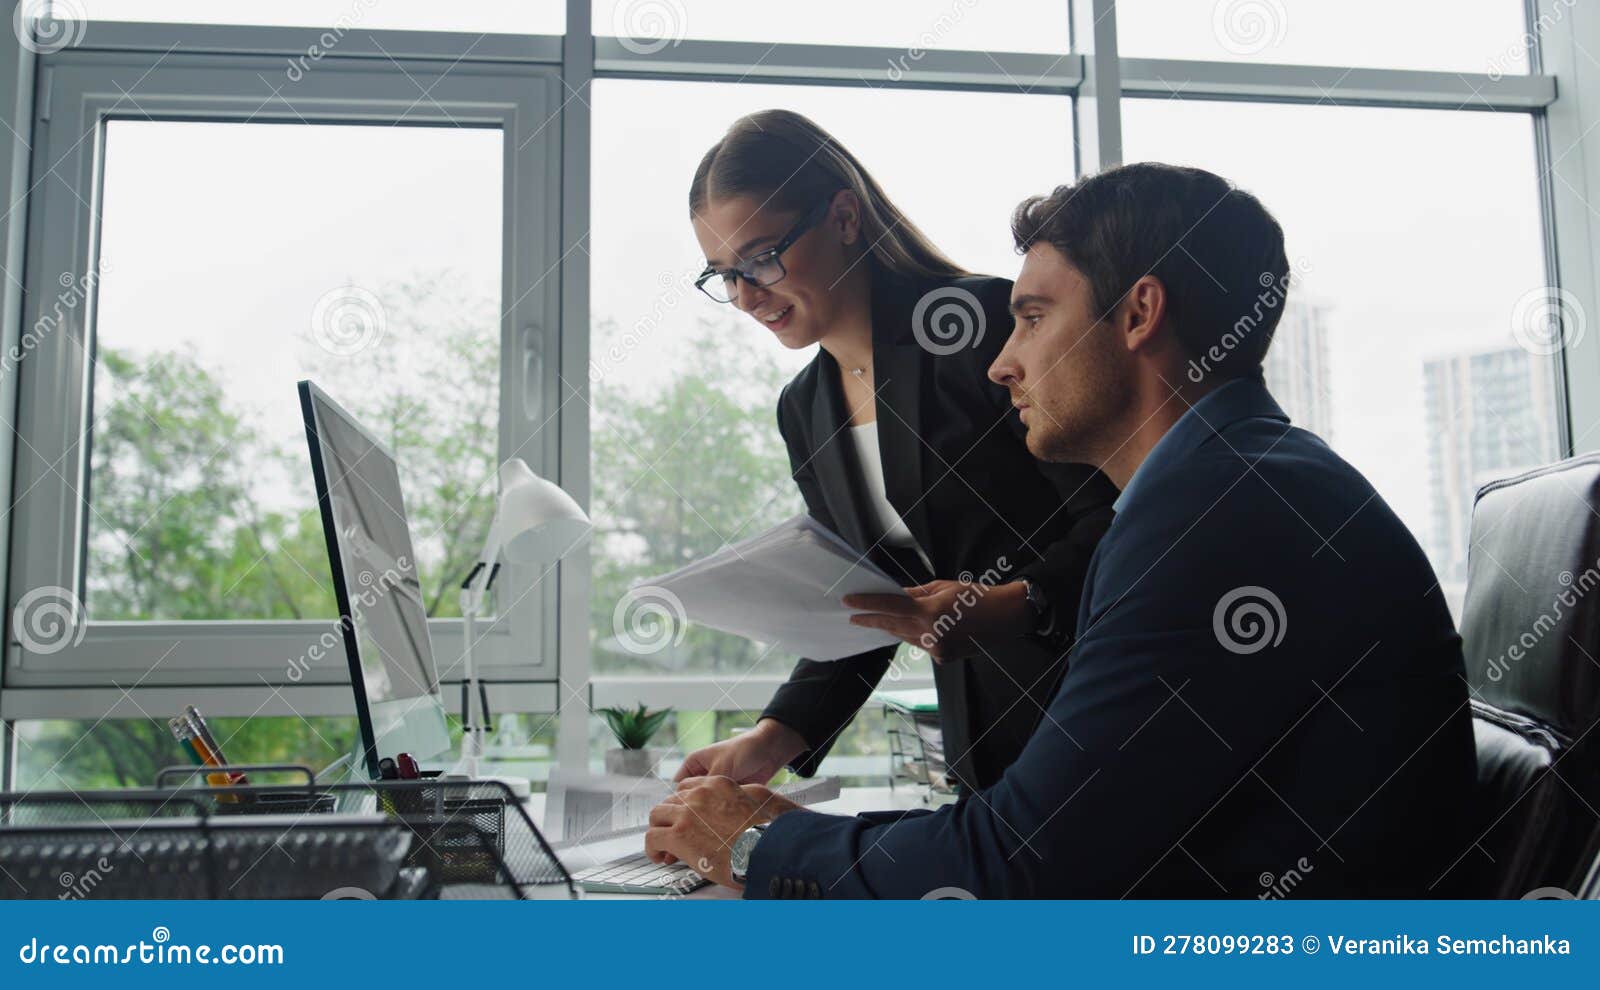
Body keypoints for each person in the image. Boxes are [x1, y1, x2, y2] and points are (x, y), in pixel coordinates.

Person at [646, 162, 1478, 898]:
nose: (1003, 362)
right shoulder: (1221, 486)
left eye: (1033, 319)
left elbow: (1021, 865)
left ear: (1139, 313)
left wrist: (760, 843)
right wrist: (784, 802)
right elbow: (1032, 846)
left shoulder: (1211, 518)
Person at [677, 110, 1118, 793]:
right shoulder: (804, 410)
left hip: (1100, 711)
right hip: (986, 753)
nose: (745, 296)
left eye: (762, 257)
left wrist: (1008, 601)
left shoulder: (976, 330)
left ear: (845, 218)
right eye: (723, 274)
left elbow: (1117, 517)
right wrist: (775, 736)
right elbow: (868, 600)